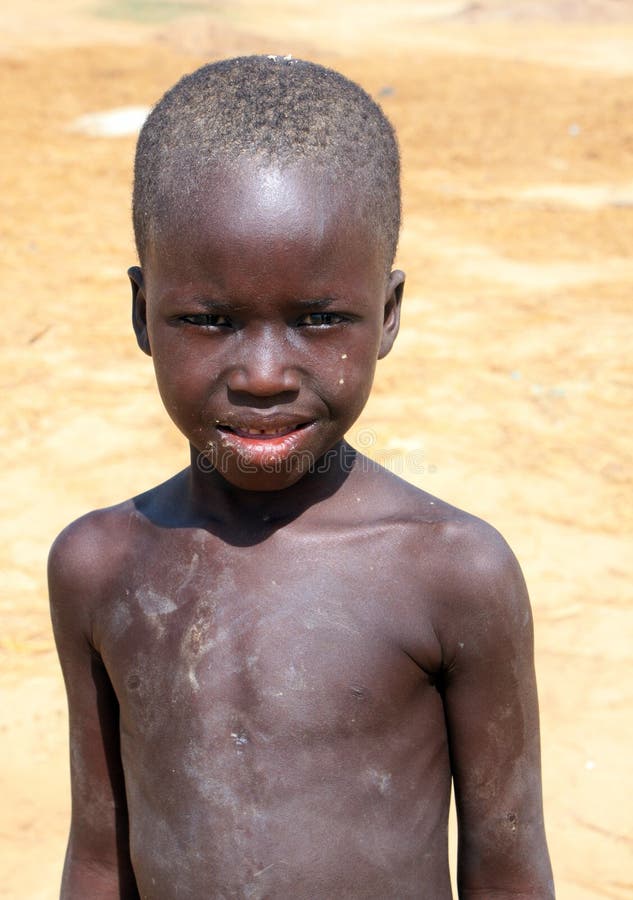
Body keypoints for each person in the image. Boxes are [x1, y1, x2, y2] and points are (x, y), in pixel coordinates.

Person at [49, 55, 554, 899]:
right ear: (143, 314)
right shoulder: (100, 568)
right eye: (208, 321)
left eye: (319, 319)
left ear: (387, 315)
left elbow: (506, 863)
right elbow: (100, 854)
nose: (262, 375)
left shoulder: (452, 572)